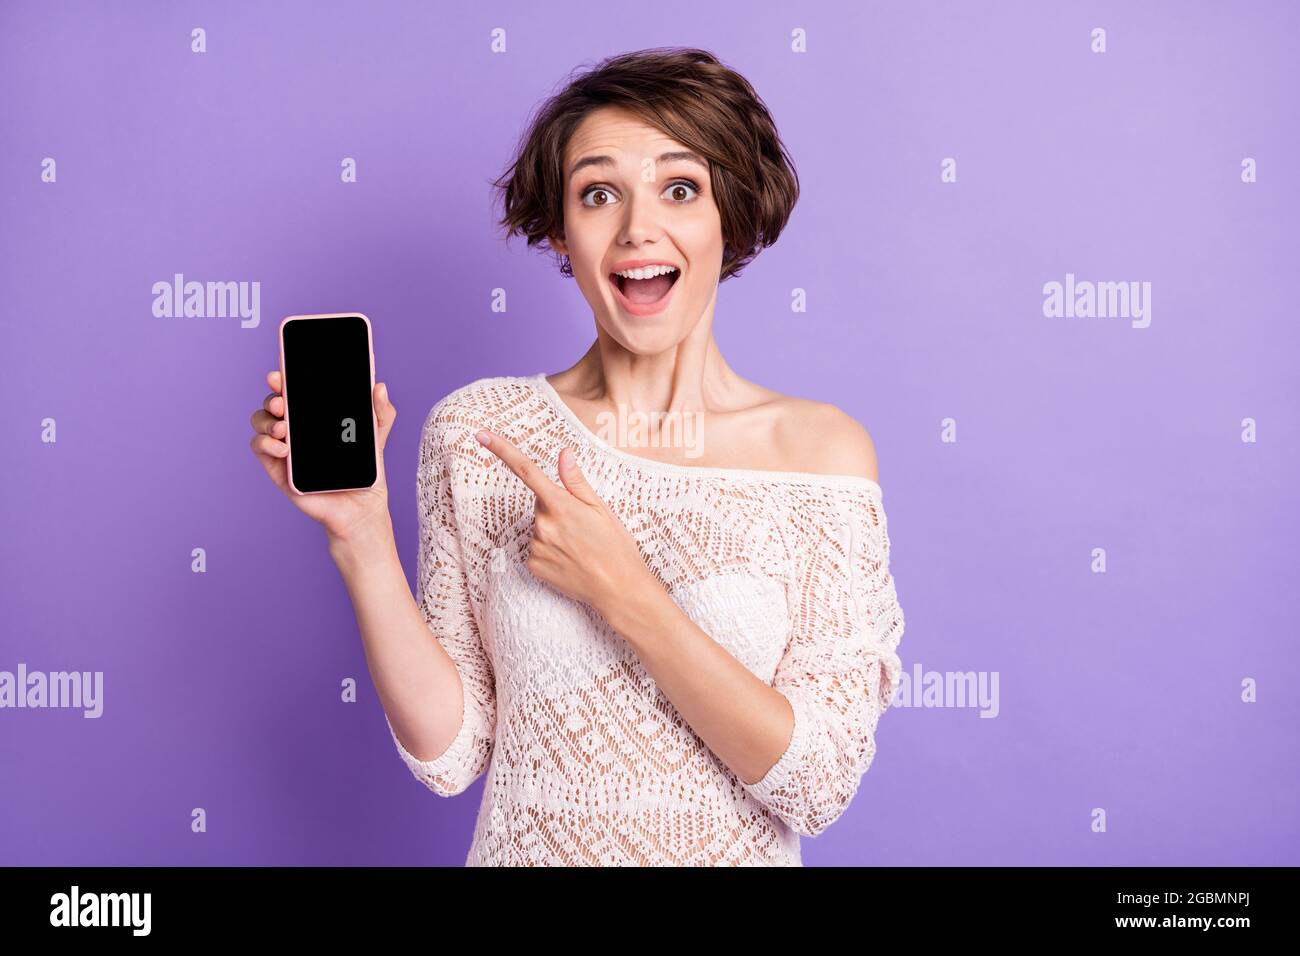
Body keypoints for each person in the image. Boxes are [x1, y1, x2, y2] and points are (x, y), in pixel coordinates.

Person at [249, 47, 905, 866]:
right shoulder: (481, 434)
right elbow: (451, 758)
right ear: (561, 228)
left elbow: (819, 783)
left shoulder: (818, 455)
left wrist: (626, 592)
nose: (637, 228)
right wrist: (360, 537)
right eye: (600, 194)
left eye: (680, 189)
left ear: (728, 215)